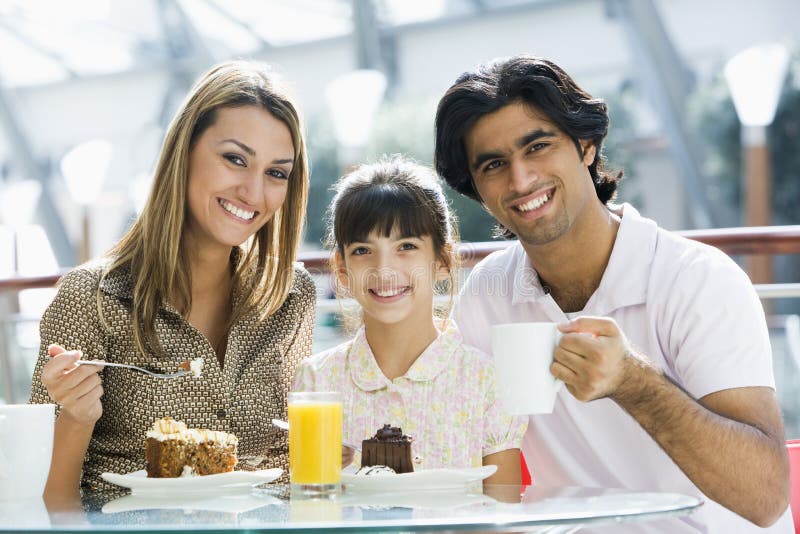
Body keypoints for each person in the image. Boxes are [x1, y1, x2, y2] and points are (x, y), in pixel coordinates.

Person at [434, 55, 791, 531]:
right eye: (495, 164)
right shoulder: (486, 294)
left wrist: (633, 382)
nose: (521, 180)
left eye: (538, 147)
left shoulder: (696, 279)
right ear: (476, 188)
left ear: (585, 145)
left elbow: (765, 498)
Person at [29, 60, 316, 499]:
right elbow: (46, 501)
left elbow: (298, 457)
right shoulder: (91, 299)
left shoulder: (292, 296)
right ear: (184, 153)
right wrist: (75, 416)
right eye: (235, 159)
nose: (254, 194)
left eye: (276, 172)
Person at [292, 156, 526, 484]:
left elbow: (503, 519)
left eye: (406, 246)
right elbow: (310, 510)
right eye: (362, 250)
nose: (384, 270)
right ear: (342, 270)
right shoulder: (316, 383)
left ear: (443, 261)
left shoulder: (486, 382)